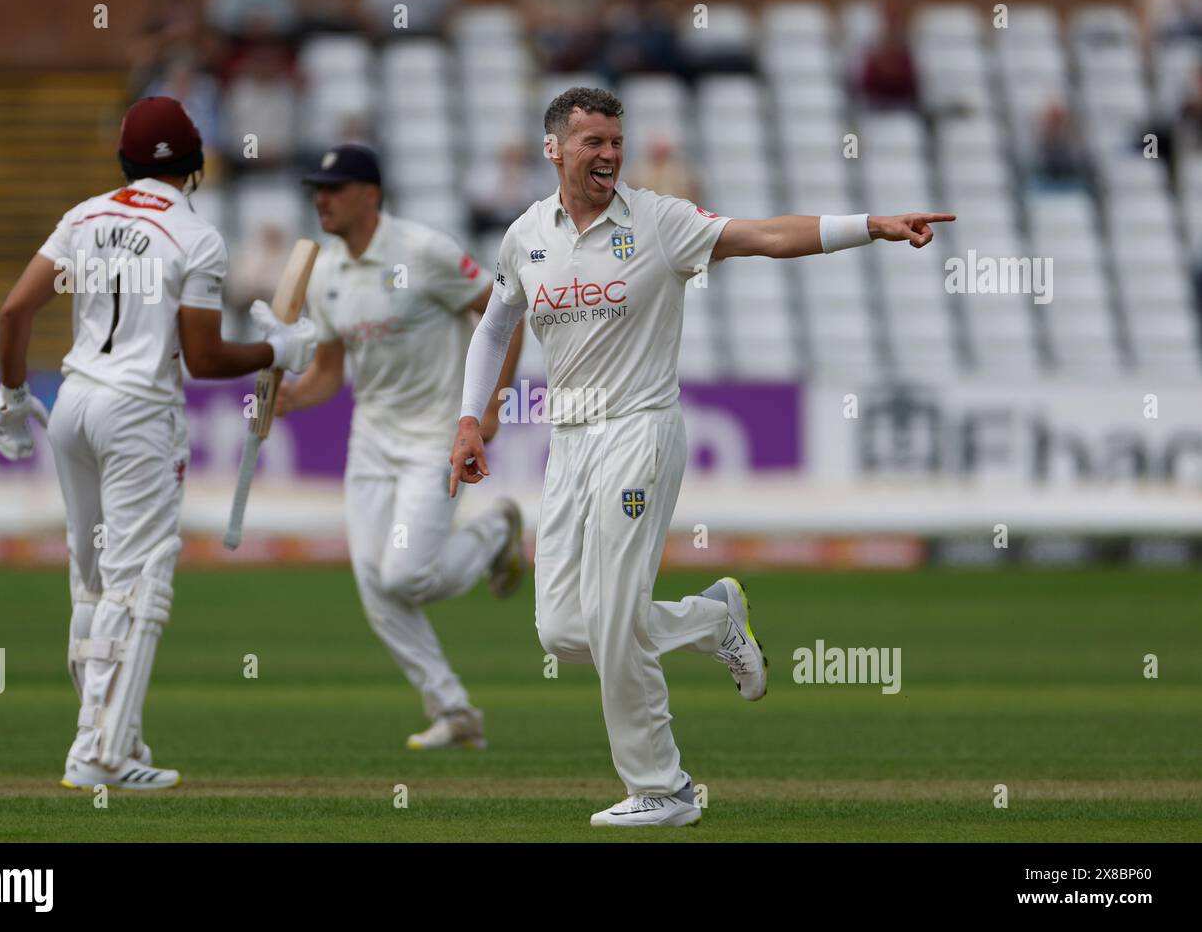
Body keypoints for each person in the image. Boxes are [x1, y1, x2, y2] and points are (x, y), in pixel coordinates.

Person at [449, 87, 953, 826]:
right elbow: (494, 327)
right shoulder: (525, 234)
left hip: (640, 429)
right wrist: (470, 417)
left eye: (616, 141)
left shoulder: (658, 221)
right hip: (569, 441)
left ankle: (664, 789)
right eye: (593, 142)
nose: (610, 154)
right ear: (554, 148)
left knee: (616, 617)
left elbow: (766, 236)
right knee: (562, 629)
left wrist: (870, 225)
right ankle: (712, 620)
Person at [0, 96, 318, 790]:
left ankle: (116, 742)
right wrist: (277, 347)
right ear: (195, 164)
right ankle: (97, 754)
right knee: (140, 585)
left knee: (94, 582)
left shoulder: (85, 216)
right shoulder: (196, 235)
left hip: (72, 404)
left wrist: (15, 395)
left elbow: (15, 309)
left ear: (124, 160)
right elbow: (202, 358)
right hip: (138, 414)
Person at [278, 144, 526, 750]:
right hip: (371, 441)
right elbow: (330, 373)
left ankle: (495, 531)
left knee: (406, 576)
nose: (321, 199)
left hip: (433, 437)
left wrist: (490, 405)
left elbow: (503, 315)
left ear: (370, 194)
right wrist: (286, 398)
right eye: (317, 188)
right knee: (375, 587)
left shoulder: (423, 251)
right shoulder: (326, 274)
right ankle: (454, 709)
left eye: (334, 189)